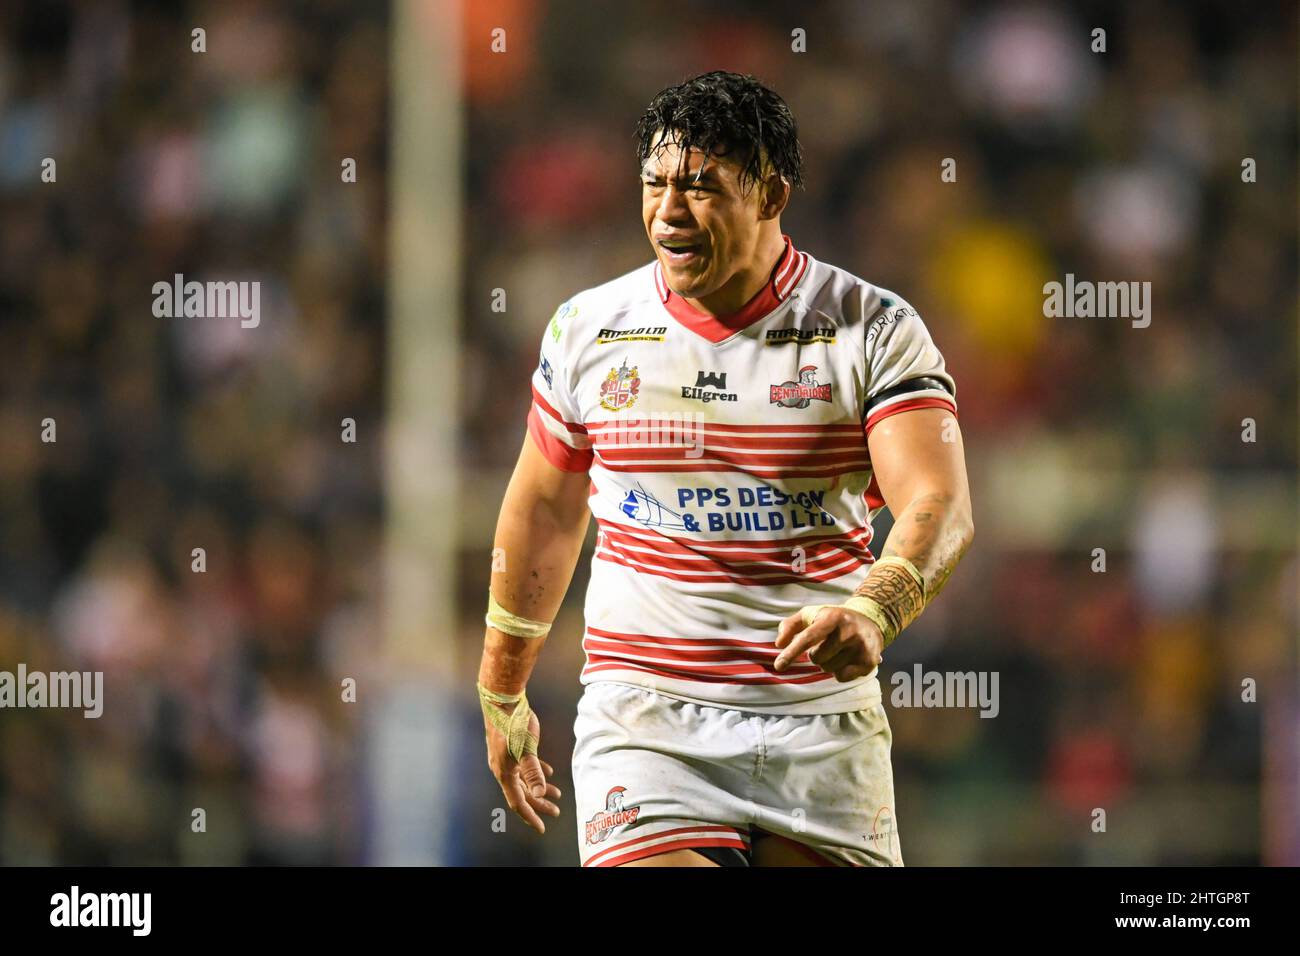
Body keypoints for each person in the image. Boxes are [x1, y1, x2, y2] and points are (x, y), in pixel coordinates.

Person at [477, 71, 974, 867]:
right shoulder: (589, 330)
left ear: (771, 192)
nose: (669, 212)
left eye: (701, 188)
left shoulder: (872, 330)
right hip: (646, 722)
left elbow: (939, 500)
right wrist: (501, 688)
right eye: (655, 184)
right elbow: (542, 510)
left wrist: (877, 608)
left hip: (818, 723)